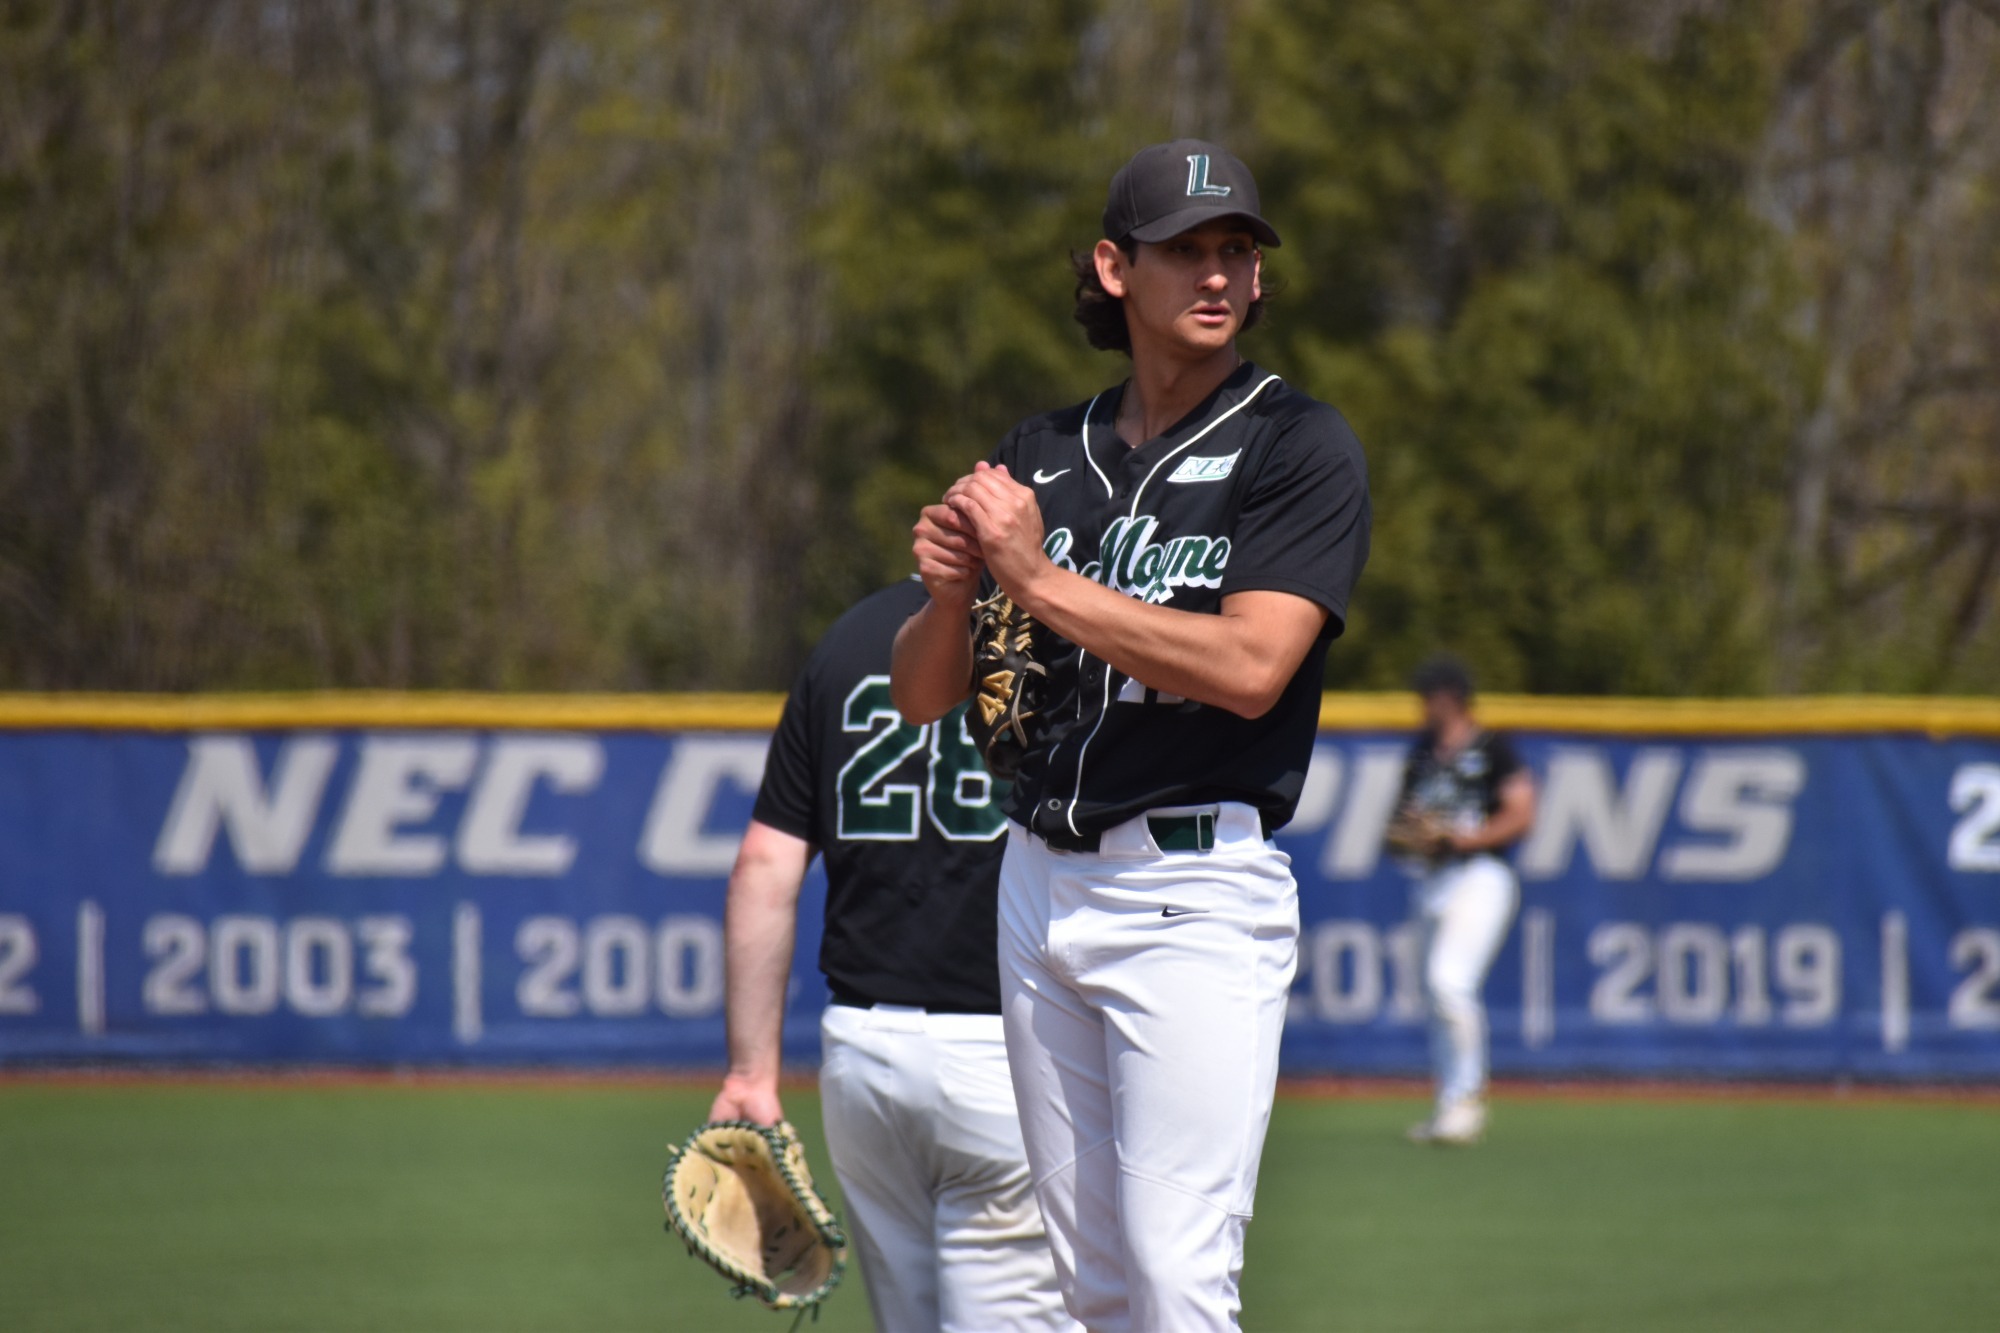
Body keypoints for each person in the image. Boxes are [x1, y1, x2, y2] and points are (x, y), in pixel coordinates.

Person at [890, 140, 1371, 1332]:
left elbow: (1252, 669)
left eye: (1235, 252)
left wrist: (1035, 575)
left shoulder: (1296, 447)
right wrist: (955, 594)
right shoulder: (1042, 452)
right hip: (1037, 882)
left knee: (1172, 1277)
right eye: (1185, 251)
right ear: (1114, 268)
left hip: (1194, 891)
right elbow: (920, 697)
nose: (1216, 275)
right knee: (1093, 1284)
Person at [708, 577, 1076, 1333]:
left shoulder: (848, 640)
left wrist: (750, 1073)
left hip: (864, 1059)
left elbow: (763, 866)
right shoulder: (1061, 628)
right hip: (1009, 1052)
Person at [1390, 655, 1537, 1146]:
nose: (1422, 707)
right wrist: (1414, 836)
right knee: (1437, 997)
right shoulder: (1423, 753)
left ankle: (1468, 1099)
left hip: (1480, 873)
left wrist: (1460, 839)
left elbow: (1521, 813)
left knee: (1449, 982)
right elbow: (1400, 826)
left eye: (1428, 698)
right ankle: (1450, 1103)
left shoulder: (1494, 747)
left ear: (1449, 698)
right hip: (1433, 878)